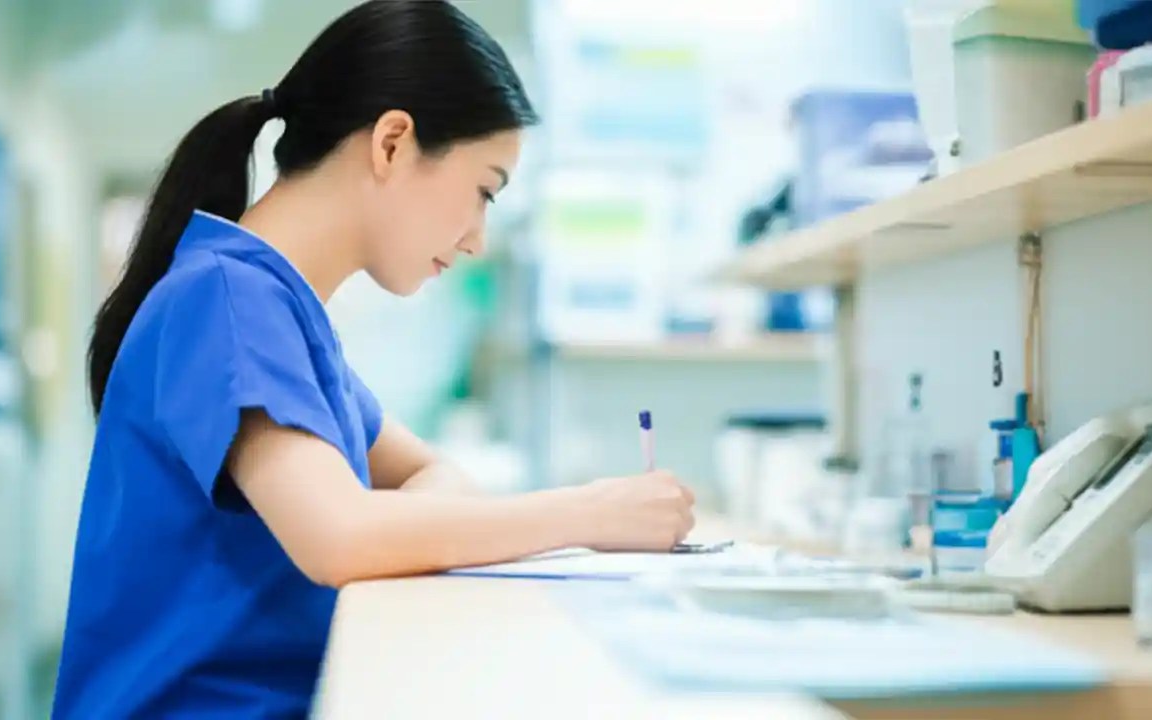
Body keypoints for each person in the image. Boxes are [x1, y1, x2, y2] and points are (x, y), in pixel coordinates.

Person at [52, 1, 696, 716]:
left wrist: (383, 530)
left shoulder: (281, 311)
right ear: (392, 142)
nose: (479, 237)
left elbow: (429, 476)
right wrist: (590, 512)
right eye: (483, 190)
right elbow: (340, 538)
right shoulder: (228, 300)